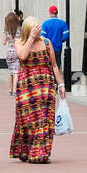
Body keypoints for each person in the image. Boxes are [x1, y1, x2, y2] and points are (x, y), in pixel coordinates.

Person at [10, 16, 66, 164]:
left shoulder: (47, 43)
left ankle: (40, 153)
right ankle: (26, 150)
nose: (38, 30)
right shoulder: (20, 42)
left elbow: (54, 65)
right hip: (27, 86)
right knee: (27, 119)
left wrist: (61, 85)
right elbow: (22, 56)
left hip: (46, 87)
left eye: (38, 28)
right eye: (35, 28)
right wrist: (31, 37)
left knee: (43, 120)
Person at [42, 5, 69, 74]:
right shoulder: (63, 23)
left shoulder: (45, 24)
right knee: (56, 65)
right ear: (57, 12)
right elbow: (66, 35)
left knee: (48, 66)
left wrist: (47, 43)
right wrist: (60, 40)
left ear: (49, 12)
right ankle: (56, 82)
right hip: (58, 48)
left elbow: (42, 36)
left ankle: (50, 81)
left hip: (48, 49)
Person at [2, 11, 22, 96]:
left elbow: (3, 42)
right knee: (16, 71)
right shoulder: (20, 29)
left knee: (10, 71)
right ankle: (15, 90)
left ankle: (10, 89)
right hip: (17, 50)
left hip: (9, 51)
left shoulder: (6, 30)